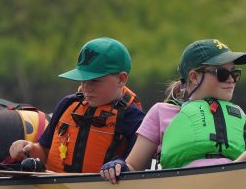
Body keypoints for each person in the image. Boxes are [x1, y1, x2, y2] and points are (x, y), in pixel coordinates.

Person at [100, 38, 246, 184]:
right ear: (193, 77)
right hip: (184, 187)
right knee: (242, 163)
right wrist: (119, 165)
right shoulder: (162, 112)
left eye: (235, 74)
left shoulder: (237, 114)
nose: (231, 80)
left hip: (235, 180)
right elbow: (134, 165)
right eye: (221, 73)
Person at [8, 37, 146, 173]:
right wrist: (28, 149)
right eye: (82, 80)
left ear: (121, 79)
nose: (86, 87)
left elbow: (134, 168)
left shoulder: (133, 118)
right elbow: (43, 152)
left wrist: (121, 166)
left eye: (94, 81)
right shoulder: (67, 104)